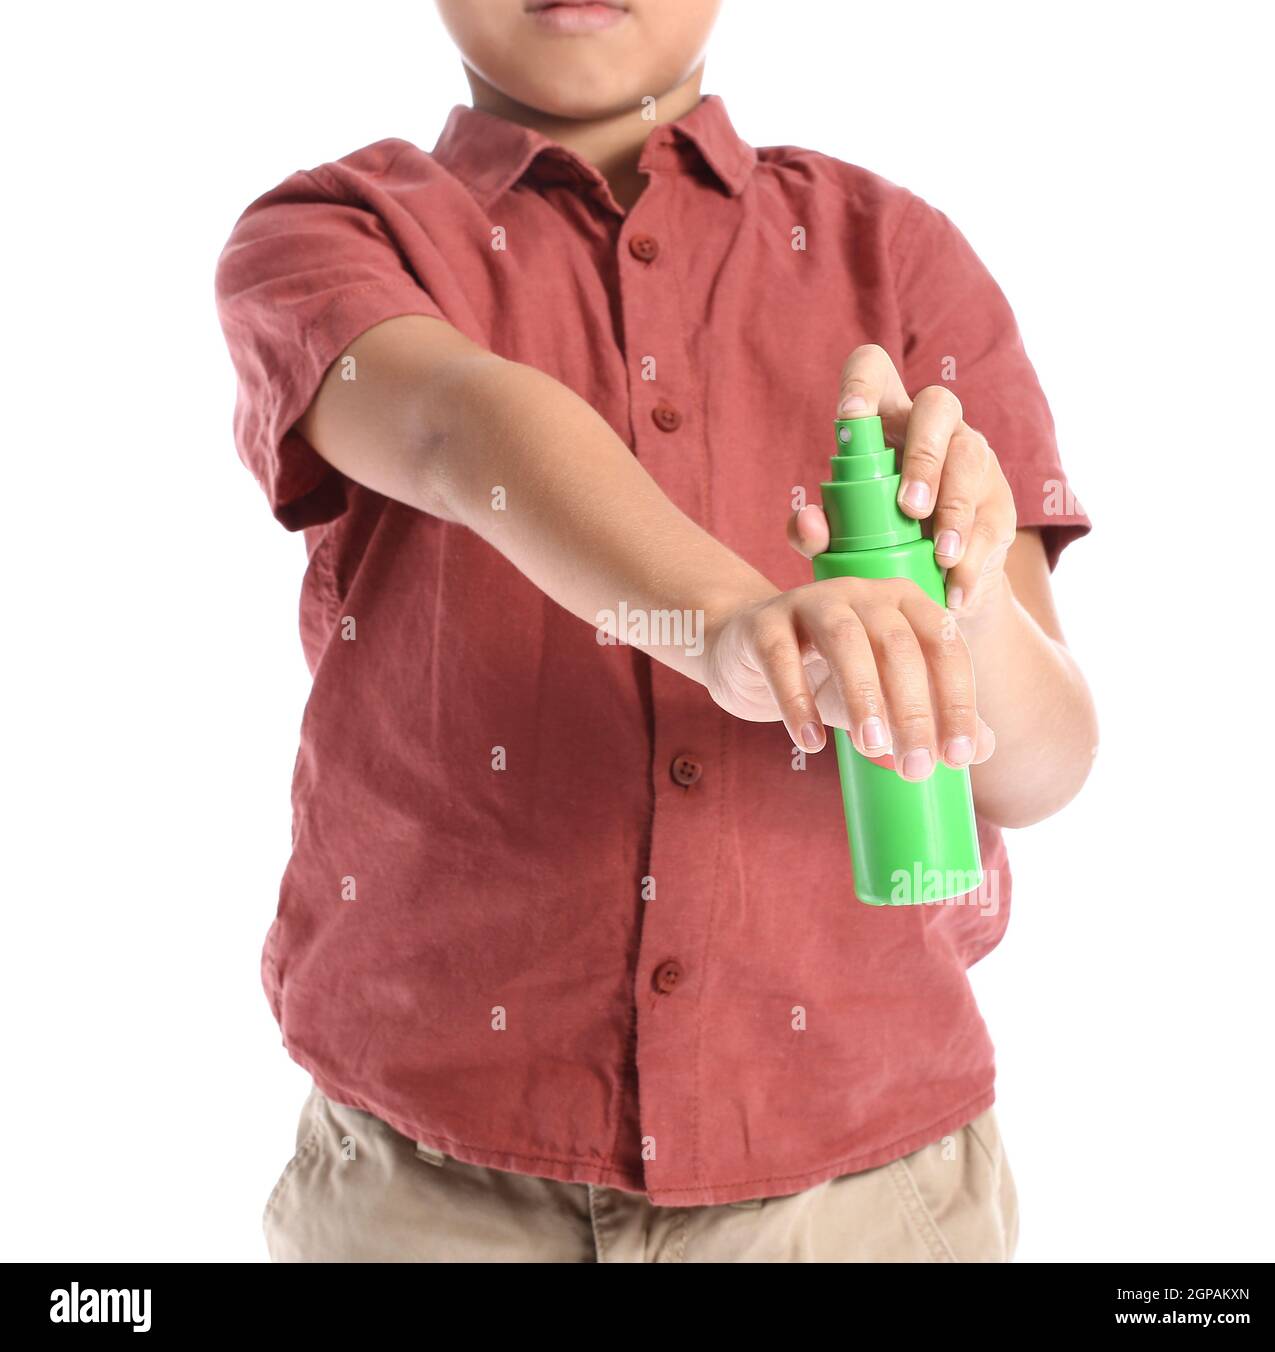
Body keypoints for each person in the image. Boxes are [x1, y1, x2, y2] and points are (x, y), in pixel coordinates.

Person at [215, 0, 1096, 1263]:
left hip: (859, 1195)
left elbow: (1039, 766)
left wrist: (966, 625)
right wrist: (729, 626)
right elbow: (458, 428)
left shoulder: (898, 256)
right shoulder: (333, 235)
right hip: (429, 1190)